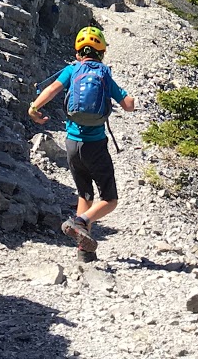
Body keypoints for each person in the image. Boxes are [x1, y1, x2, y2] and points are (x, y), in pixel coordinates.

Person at [28, 26, 136, 255]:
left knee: (84, 195)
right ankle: (79, 223)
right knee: (110, 200)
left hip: (71, 144)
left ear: (78, 53)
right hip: (95, 144)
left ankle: (84, 252)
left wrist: (34, 107)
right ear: (102, 53)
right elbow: (128, 105)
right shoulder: (104, 73)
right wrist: (131, 98)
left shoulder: (72, 70)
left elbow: (52, 89)